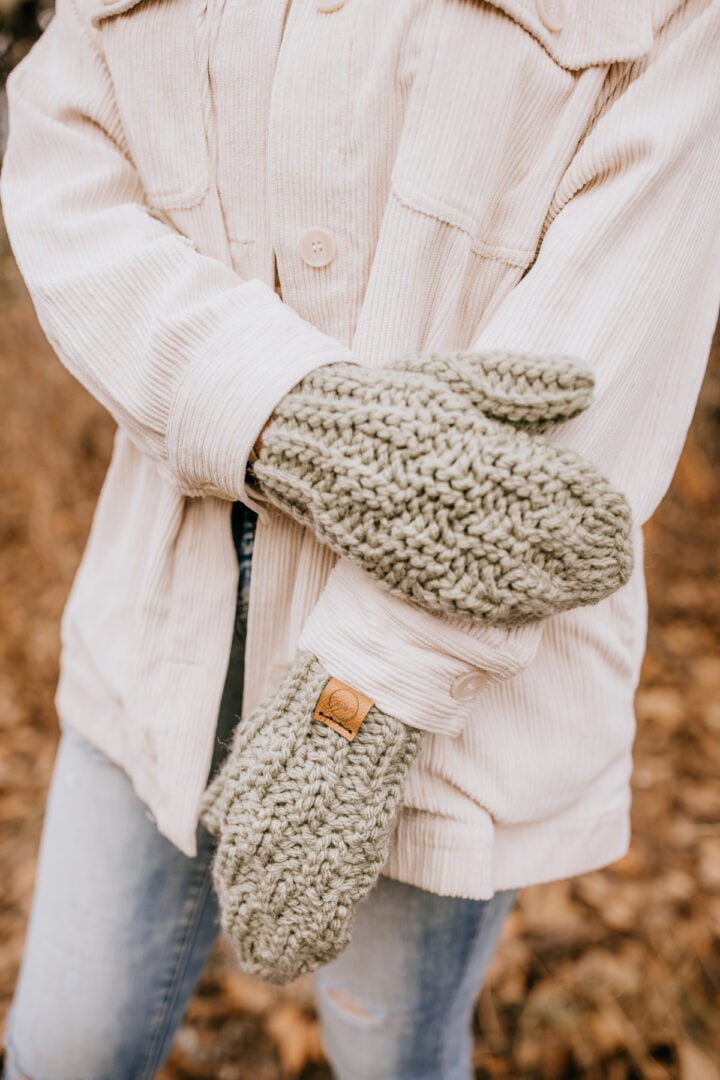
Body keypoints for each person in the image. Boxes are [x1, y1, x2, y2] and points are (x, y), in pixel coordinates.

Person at [1, 0, 719, 1077]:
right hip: (156, 635)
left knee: (392, 1058)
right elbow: (69, 190)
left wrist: (357, 705)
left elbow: (575, 432)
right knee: (64, 1048)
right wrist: (293, 418)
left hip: (443, 693)